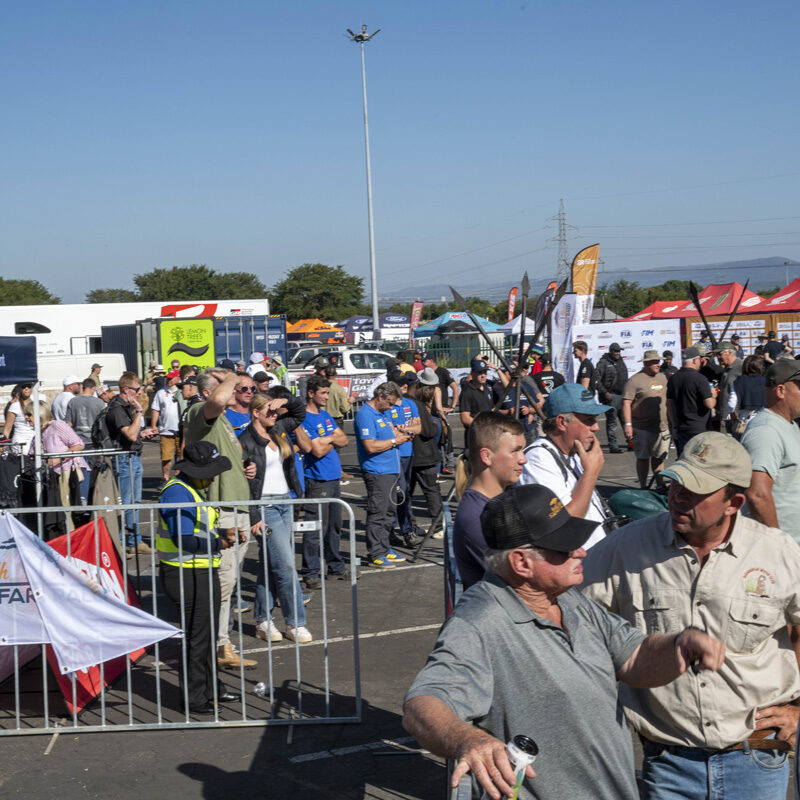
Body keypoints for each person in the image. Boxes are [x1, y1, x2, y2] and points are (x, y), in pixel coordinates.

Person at [403, 483, 724, 800]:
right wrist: (467, 740)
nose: (581, 550)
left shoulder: (569, 598)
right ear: (521, 562)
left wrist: (678, 646)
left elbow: (633, 656)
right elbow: (422, 705)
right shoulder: (479, 622)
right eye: (565, 546)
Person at [583, 431, 800, 800]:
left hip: (757, 759)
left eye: (695, 492)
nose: (677, 497)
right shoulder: (625, 548)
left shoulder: (778, 552)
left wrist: (798, 708)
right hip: (668, 763)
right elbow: (570, 616)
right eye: (675, 484)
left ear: (734, 502)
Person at [156, 441, 242, 715]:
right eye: (211, 472)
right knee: (198, 637)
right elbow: (183, 538)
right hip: (186, 572)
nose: (214, 477)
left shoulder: (189, 489)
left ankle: (210, 688)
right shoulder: (178, 493)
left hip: (199, 569)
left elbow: (197, 531)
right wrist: (219, 544)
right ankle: (195, 698)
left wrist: (220, 536)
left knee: (204, 635)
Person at [182, 369, 255, 671]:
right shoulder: (199, 410)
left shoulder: (221, 418)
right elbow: (219, 398)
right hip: (222, 510)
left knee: (229, 580)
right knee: (223, 582)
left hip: (237, 507)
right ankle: (216, 644)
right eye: (232, 387)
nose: (239, 390)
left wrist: (244, 466)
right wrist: (231, 377)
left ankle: (220, 641)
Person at [239, 391, 312, 643]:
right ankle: (296, 623)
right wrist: (253, 513)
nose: (272, 414)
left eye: (273, 410)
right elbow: (242, 481)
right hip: (265, 506)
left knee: (270, 565)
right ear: (255, 412)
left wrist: (285, 401)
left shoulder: (278, 427)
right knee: (286, 565)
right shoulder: (246, 439)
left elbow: (299, 412)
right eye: (267, 410)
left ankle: (263, 621)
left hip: (285, 502)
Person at [519, 384, 612, 548]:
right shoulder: (537, 459)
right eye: (588, 420)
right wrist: (590, 472)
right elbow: (563, 524)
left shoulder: (574, 453)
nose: (596, 427)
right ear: (562, 422)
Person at [452, 412, 526, 589]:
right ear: (487, 456)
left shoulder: (501, 500)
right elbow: (523, 585)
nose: (524, 459)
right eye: (515, 451)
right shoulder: (479, 517)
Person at [740, 359, 800, 546]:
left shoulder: (789, 424)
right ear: (780, 390)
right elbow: (757, 494)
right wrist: (778, 546)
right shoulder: (765, 431)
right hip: (783, 548)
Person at [297, 375, 349, 589]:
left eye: (328, 393)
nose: (327, 397)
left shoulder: (325, 415)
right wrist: (331, 440)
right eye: (323, 393)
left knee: (334, 527)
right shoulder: (304, 418)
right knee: (315, 529)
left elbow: (344, 439)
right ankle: (311, 571)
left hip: (333, 477)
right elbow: (316, 451)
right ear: (311, 394)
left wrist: (327, 438)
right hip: (317, 480)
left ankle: (335, 567)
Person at [355, 382, 412, 569]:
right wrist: (396, 440)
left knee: (389, 511)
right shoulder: (365, 415)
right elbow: (370, 446)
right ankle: (376, 553)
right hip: (377, 471)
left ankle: (385, 547)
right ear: (380, 397)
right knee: (378, 512)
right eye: (390, 403)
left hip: (391, 470)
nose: (391, 407)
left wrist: (401, 433)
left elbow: (389, 434)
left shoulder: (381, 414)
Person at [106, 371, 157, 556]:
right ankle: (121, 543)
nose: (139, 394)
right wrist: (139, 411)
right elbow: (130, 434)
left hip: (133, 456)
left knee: (135, 501)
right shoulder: (117, 408)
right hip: (123, 459)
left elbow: (134, 434)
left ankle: (134, 540)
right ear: (126, 389)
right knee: (125, 502)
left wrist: (144, 433)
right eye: (136, 390)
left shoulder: (125, 406)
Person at [27, 402, 91, 512]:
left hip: (72, 474)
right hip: (55, 477)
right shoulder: (38, 434)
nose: (26, 418)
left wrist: (60, 458)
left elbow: (79, 445)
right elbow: (32, 455)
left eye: (29, 414)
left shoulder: (57, 425)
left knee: (76, 512)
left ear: (39, 414)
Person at [622, 349, 670, 489]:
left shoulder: (663, 377)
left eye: (658, 361)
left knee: (659, 457)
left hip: (662, 427)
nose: (658, 364)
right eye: (655, 362)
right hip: (642, 427)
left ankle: (660, 484)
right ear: (646, 363)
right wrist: (628, 424)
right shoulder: (635, 380)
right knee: (642, 459)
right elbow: (626, 403)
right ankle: (643, 487)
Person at [385, 377, 423, 547]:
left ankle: (403, 529)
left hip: (407, 453)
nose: (403, 387)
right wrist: (402, 430)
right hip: (392, 454)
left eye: (404, 384)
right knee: (398, 493)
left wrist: (404, 429)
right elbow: (390, 431)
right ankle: (401, 530)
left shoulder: (410, 404)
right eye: (399, 384)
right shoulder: (387, 405)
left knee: (404, 491)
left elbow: (418, 427)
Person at [406, 380, 446, 538]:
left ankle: (410, 526)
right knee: (431, 492)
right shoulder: (416, 405)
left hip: (412, 455)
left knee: (407, 493)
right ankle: (436, 527)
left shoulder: (403, 404)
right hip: (423, 455)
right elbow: (430, 431)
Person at [666, 346, 715, 456]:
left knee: (684, 461)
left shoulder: (674, 378)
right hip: (699, 429)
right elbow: (709, 404)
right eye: (699, 360)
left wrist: (674, 425)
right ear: (694, 360)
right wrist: (714, 396)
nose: (700, 362)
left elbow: (670, 405)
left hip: (681, 428)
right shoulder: (700, 378)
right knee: (700, 462)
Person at [594, 342, 628, 454]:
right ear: (611, 351)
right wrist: (605, 393)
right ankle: (613, 446)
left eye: (619, 351)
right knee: (612, 423)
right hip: (610, 397)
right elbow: (596, 381)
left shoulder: (621, 361)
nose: (618, 353)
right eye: (616, 351)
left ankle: (631, 443)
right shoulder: (603, 363)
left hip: (622, 396)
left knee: (625, 421)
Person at [151, 370, 182, 482]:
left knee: (181, 456)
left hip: (180, 431)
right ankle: (166, 478)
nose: (168, 380)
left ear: (178, 379)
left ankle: (178, 478)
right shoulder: (161, 393)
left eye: (171, 378)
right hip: (166, 430)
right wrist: (154, 425)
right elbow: (155, 409)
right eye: (167, 378)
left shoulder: (183, 392)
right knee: (166, 457)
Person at [459, 360, 496, 448]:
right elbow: (465, 418)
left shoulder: (487, 389)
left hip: (489, 434)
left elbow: (491, 409)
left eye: (485, 372)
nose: (483, 375)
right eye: (480, 373)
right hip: (475, 435)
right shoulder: (467, 392)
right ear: (472, 373)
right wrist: (482, 425)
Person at [729, 355, 766, 435]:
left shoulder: (738, 381)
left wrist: (732, 415)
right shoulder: (766, 381)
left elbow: (732, 403)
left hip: (746, 419)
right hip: (764, 419)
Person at [713, 340, 743, 434]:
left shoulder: (740, 368)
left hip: (735, 419)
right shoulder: (727, 369)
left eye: (719, 354)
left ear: (729, 352)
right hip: (725, 417)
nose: (718, 357)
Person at [66, 378, 106, 447]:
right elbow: (104, 423)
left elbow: (68, 424)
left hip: (78, 440)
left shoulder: (72, 401)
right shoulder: (100, 403)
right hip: (95, 440)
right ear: (93, 388)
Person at [224, 373, 255, 438]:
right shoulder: (223, 414)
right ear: (233, 390)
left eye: (252, 388)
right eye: (244, 388)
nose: (249, 391)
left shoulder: (258, 413)